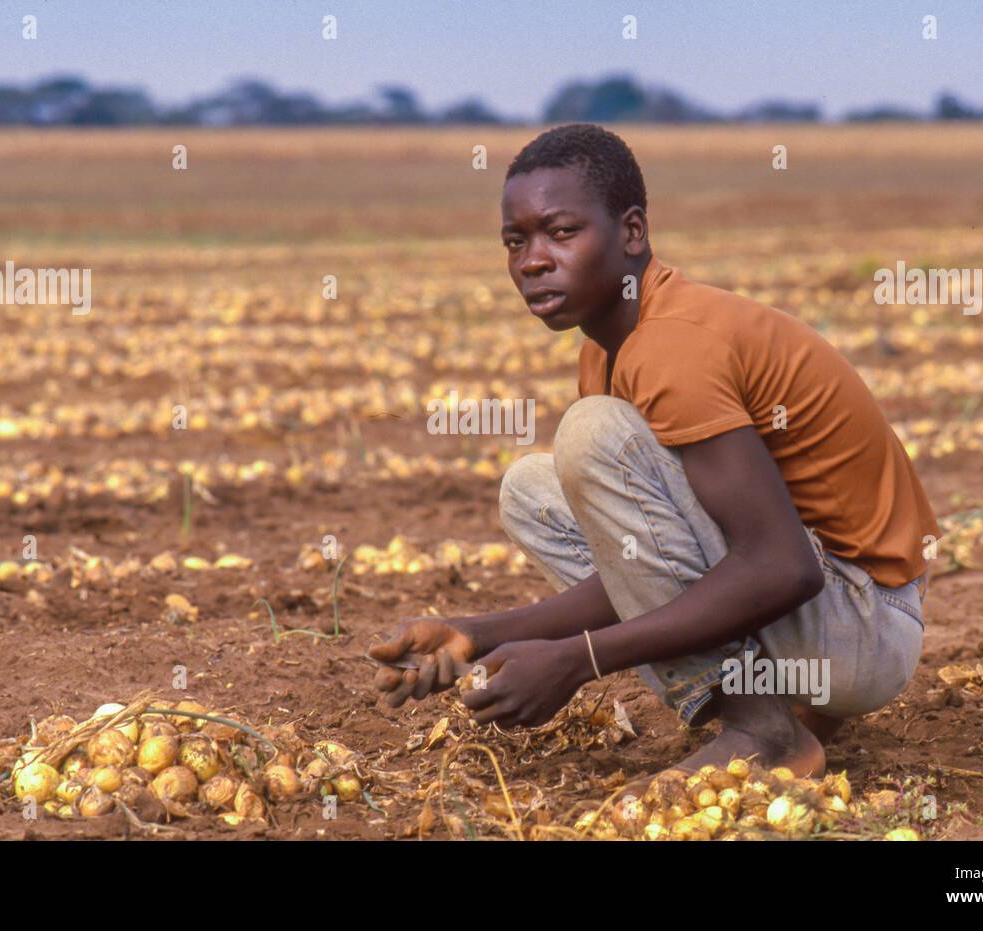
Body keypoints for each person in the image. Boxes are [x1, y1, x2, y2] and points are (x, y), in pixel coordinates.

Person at [369, 123, 939, 779]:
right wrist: (477, 634)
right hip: (818, 623)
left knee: (590, 435)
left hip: (864, 625)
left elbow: (784, 566)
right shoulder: (606, 351)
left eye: (561, 232)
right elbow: (648, 567)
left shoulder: (673, 344)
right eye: (515, 241)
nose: (532, 260)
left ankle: (765, 730)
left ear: (632, 232)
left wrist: (576, 661)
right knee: (530, 489)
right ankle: (782, 707)